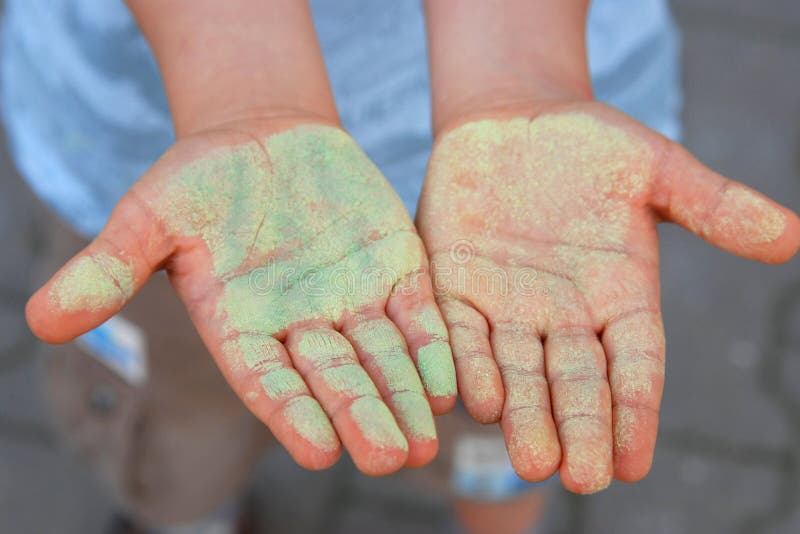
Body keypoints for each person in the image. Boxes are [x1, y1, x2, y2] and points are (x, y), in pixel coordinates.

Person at [4, 1, 799, 533]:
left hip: (538, 163)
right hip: (185, 171)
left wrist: (520, 75)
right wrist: (243, 96)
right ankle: (188, 511)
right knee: (184, 418)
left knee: (517, 410)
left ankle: (496, 504)